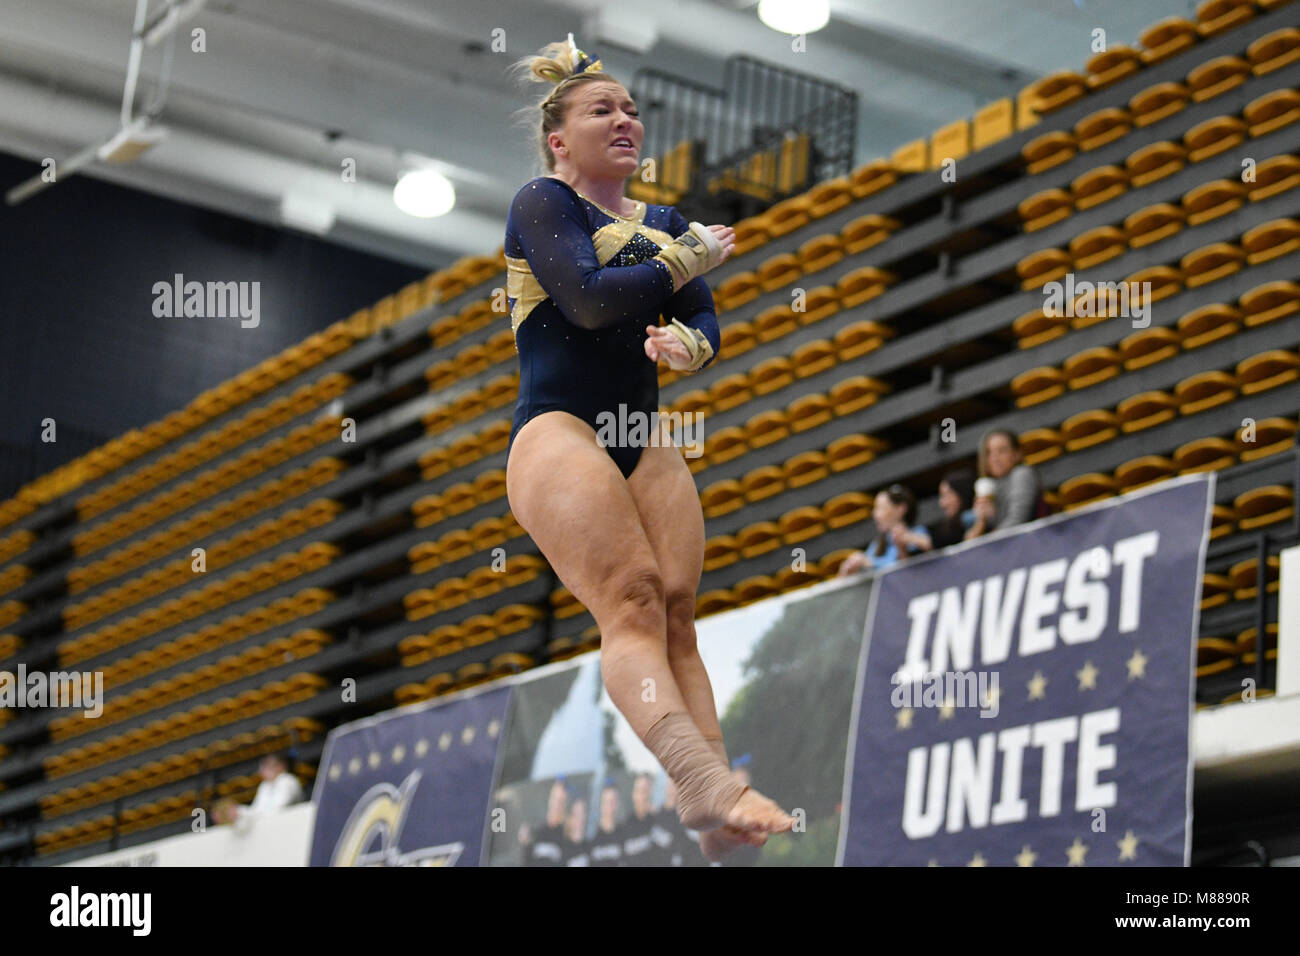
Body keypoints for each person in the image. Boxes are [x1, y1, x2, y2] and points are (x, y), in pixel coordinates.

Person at [502, 35, 789, 861]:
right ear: (560, 138)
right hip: (557, 429)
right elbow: (588, 304)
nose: (624, 119)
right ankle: (695, 775)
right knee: (628, 600)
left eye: (631, 109)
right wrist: (690, 256)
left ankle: (718, 803)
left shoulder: (661, 221)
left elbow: (700, 315)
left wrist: (693, 348)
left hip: (641, 432)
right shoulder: (542, 203)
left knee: (676, 615)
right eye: (603, 109)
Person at [837, 485, 926, 576]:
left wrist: (869, 564)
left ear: (901, 509)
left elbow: (908, 571)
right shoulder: (878, 544)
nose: (875, 515)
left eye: (880, 508)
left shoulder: (918, 534)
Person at [969, 429, 1041, 537]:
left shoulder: (1021, 473)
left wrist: (990, 543)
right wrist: (981, 520)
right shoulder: (989, 485)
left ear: (1016, 454)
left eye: (1002, 451)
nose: (995, 458)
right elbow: (969, 539)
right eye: (989, 453)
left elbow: (1018, 519)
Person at [917, 468, 978, 551]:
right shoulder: (948, 529)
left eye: (946, 496)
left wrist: (981, 522)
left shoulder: (978, 517)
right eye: (941, 496)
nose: (942, 503)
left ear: (961, 494)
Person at [523, 778, 569, 867]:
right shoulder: (534, 830)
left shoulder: (565, 838)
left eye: (561, 802)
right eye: (556, 799)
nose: (557, 806)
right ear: (550, 799)